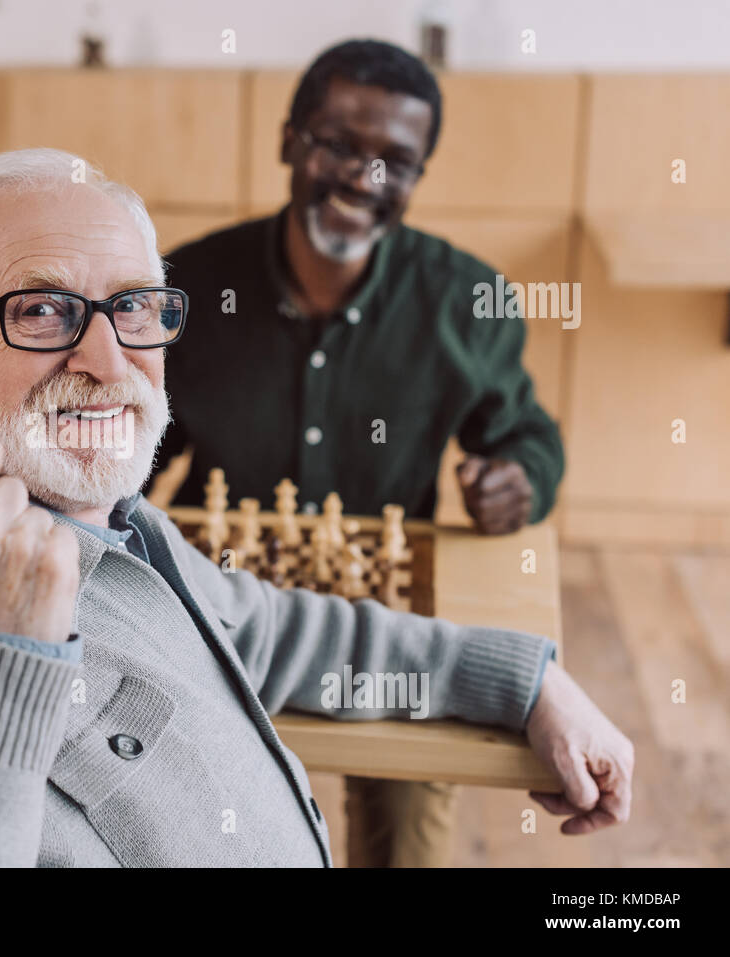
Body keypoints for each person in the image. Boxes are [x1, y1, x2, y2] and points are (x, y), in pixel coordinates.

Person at [0, 148, 631, 867]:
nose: (109, 362)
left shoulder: (89, 506)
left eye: (134, 308)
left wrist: (520, 682)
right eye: (42, 310)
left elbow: (258, 631)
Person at [146, 38, 568, 868]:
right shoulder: (187, 286)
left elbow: (526, 435)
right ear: (288, 141)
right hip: (220, 611)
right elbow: (137, 448)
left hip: (388, 624)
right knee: (192, 823)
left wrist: (521, 479)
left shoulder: (467, 302)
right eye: (338, 144)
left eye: (396, 162)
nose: (363, 180)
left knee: (409, 832)